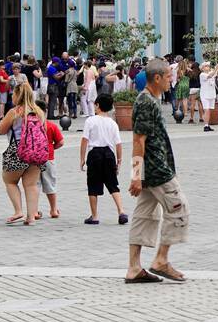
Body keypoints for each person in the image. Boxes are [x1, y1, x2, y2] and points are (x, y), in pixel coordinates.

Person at [126, 58, 189, 284]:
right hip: (156, 170)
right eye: (169, 77)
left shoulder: (150, 100)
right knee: (179, 209)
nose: (171, 80)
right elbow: (137, 140)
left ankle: (134, 267)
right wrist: (136, 176)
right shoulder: (146, 102)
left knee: (144, 215)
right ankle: (161, 260)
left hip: (152, 170)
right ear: (157, 78)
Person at [0, 81, 46, 226]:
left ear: (17, 95)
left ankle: (18, 211)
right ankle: (31, 217)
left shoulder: (14, 112)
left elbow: (1, 130)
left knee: (10, 181)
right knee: (31, 185)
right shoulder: (39, 112)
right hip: (36, 150)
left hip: (18, 150)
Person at [81, 93, 127, 225]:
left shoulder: (90, 121)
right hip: (109, 154)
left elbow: (85, 140)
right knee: (113, 184)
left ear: (98, 105)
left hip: (94, 154)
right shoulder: (113, 123)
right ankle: (121, 211)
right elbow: (118, 144)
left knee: (93, 185)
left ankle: (94, 216)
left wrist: (82, 158)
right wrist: (119, 160)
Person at [37, 113, 66, 220]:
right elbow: (61, 142)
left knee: (34, 185)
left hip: (33, 158)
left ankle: (34, 211)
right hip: (48, 157)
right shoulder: (51, 126)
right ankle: (53, 209)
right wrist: (52, 147)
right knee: (50, 184)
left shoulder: (30, 126)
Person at [199, 62, 218, 131]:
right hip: (205, 95)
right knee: (206, 110)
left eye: (208, 66)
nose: (207, 67)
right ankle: (205, 125)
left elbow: (215, 73)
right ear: (202, 68)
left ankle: (207, 124)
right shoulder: (202, 74)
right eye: (206, 66)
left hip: (211, 94)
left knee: (209, 110)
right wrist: (215, 69)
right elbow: (210, 75)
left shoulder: (211, 73)